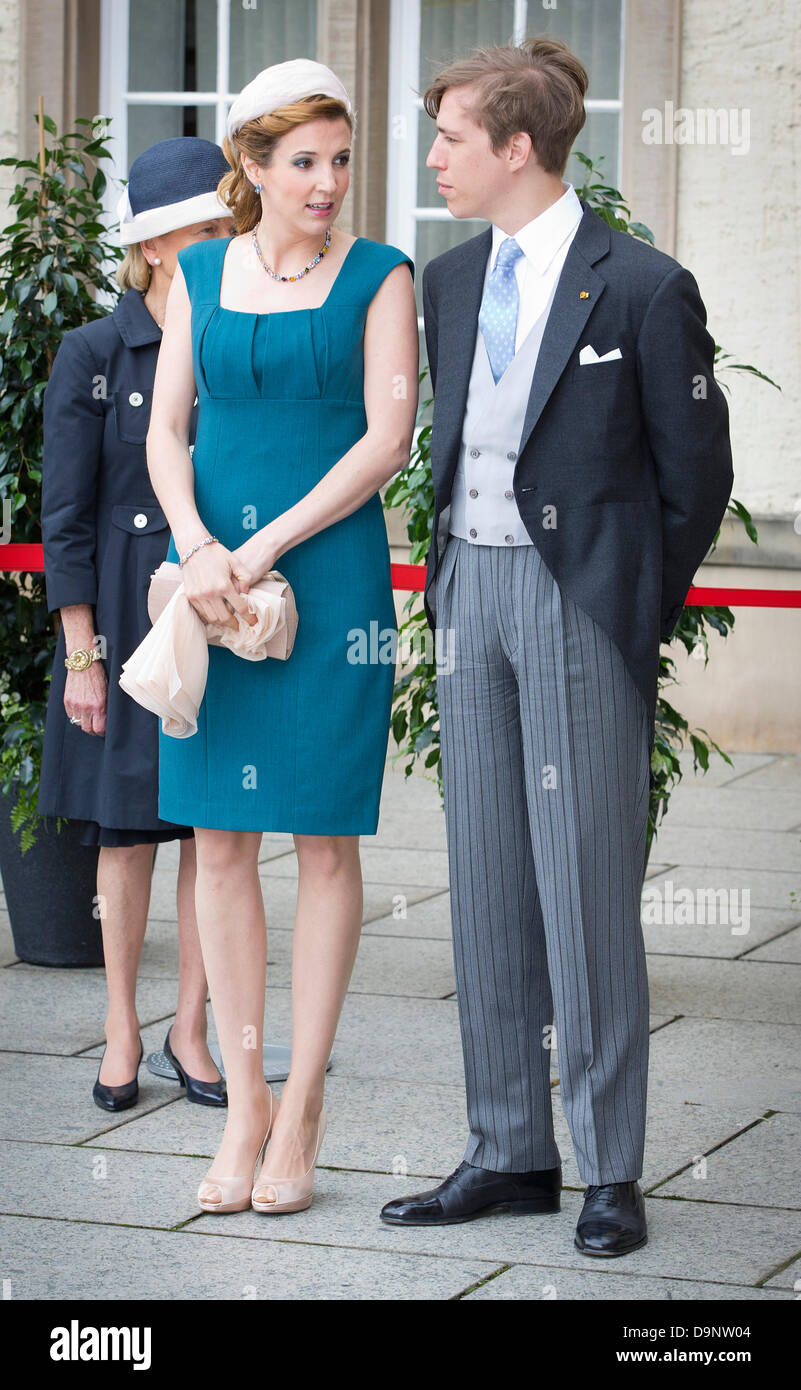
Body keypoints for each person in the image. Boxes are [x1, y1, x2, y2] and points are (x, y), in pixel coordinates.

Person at [380, 37, 733, 1256]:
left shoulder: (640, 285)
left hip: (579, 605)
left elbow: (695, 479)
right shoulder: (449, 278)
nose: (433, 158)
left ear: (516, 147)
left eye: (450, 138)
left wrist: (624, 603)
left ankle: (610, 1171)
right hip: (470, 592)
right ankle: (508, 1149)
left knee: (585, 889)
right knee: (481, 880)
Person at [146, 59, 418, 1214]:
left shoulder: (383, 273)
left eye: (341, 158)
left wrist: (260, 553)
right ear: (251, 168)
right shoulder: (198, 273)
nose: (329, 181)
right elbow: (167, 432)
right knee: (214, 846)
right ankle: (245, 1100)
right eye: (303, 159)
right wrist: (201, 548)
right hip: (208, 586)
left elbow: (386, 440)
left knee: (320, 845)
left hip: (332, 581)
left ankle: (305, 1102)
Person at [38, 138, 236, 1111]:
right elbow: (64, 516)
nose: (219, 244)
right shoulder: (92, 351)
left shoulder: (235, 336)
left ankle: (190, 1031)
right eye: (203, 230)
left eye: (223, 229)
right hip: (117, 622)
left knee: (213, 829)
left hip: (212, 607)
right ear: (157, 247)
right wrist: (81, 653)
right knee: (123, 834)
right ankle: (120, 1028)